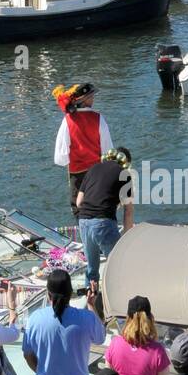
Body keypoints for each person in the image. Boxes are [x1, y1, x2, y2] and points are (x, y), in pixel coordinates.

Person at [76, 146, 134, 298]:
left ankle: (90, 303)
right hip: (103, 223)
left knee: (92, 269)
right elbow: (128, 212)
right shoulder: (124, 174)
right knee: (118, 263)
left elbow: (79, 202)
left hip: (83, 221)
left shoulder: (93, 168)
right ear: (126, 162)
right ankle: (120, 300)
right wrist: (126, 241)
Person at [52, 82, 112, 219]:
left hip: (77, 174)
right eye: (91, 96)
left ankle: (84, 235)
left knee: (79, 209)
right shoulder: (99, 118)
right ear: (83, 100)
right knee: (97, 206)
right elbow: (108, 151)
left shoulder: (67, 121)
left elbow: (60, 158)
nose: (93, 99)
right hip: (96, 172)